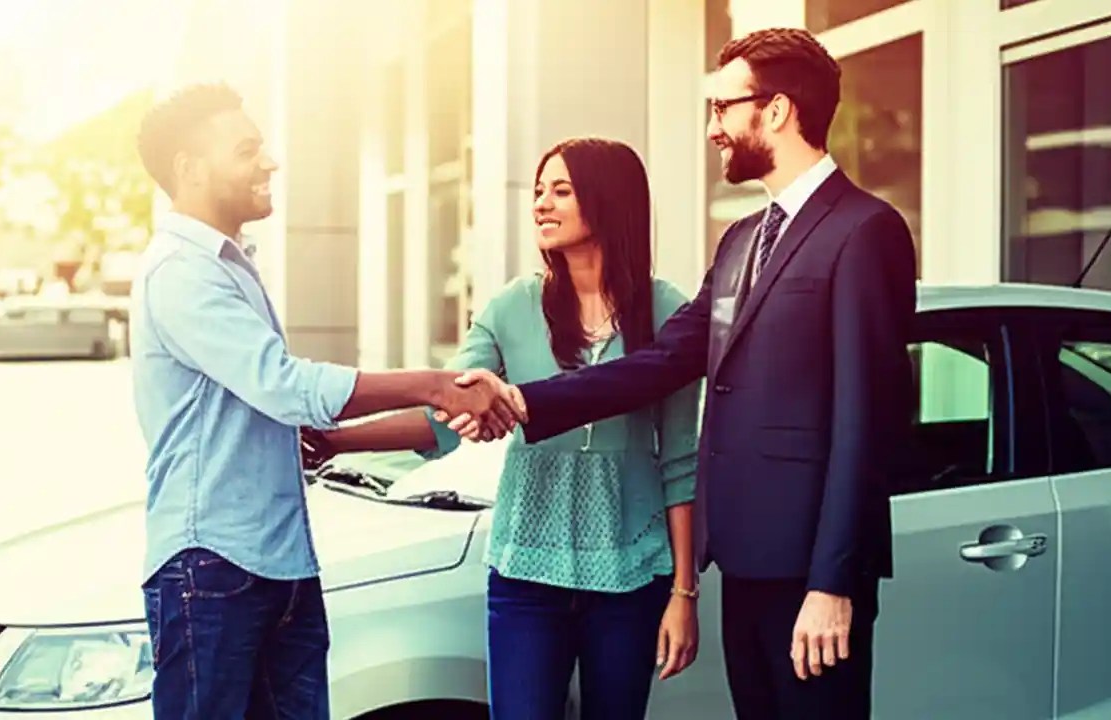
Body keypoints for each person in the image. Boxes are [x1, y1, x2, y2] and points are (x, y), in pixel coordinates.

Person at [448, 29, 917, 720]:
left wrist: (834, 582)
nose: (713, 129)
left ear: (777, 110)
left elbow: (867, 421)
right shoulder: (740, 241)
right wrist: (521, 401)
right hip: (746, 561)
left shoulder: (865, 230)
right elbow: (662, 363)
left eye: (724, 108)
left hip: (809, 575)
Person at [130, 83, 519, 720]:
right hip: (213, 567)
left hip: (279, 562)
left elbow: (268, 408)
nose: (270, 162)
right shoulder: (181, 271)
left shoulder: (229, 265)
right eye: (247, 149)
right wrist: (430, 383)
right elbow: (284, 387)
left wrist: (339, 439)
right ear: (188, 169)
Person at [304, 137, 702, 719]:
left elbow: (681, 460)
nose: (541, 203)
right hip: (526, 578)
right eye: (539, 191)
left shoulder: (670, 312)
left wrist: (683, 595)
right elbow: (442, 416)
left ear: (609, 200)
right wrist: (333, 440)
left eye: (561, 190)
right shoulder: (512, 306)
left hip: (630, 576)